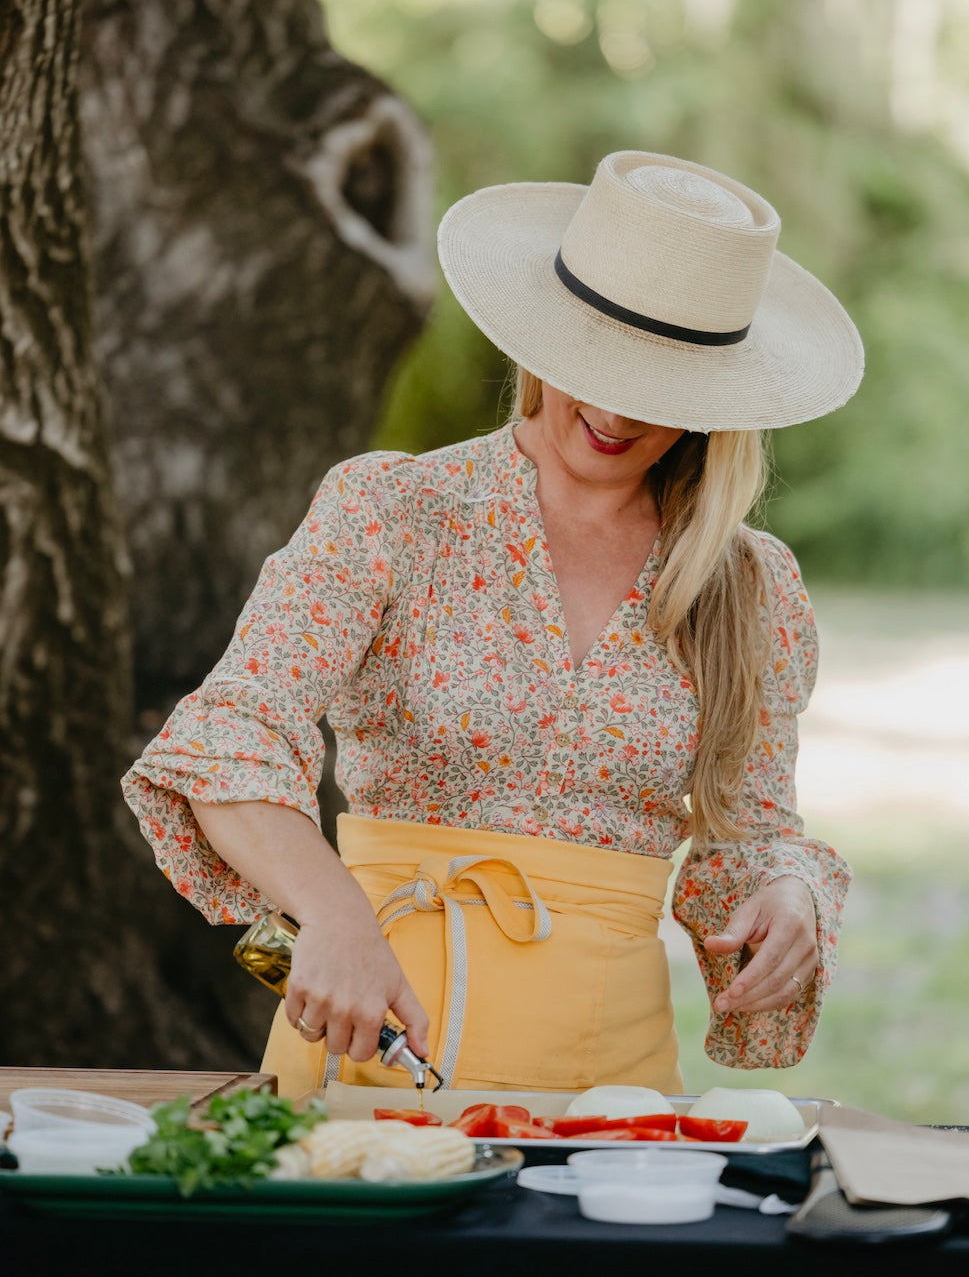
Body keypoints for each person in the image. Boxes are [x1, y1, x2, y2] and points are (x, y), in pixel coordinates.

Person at [122, 150, 862, 1100]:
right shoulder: (391, 511)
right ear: (540, 339)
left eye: (662, 379)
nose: (615, 407)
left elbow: (750, 832)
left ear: (718, 401)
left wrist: (785, 891)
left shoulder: (750, 586)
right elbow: (229, 741)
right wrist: (333, 917)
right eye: (597, 358)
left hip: (610, 1079)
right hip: (378, 1026)